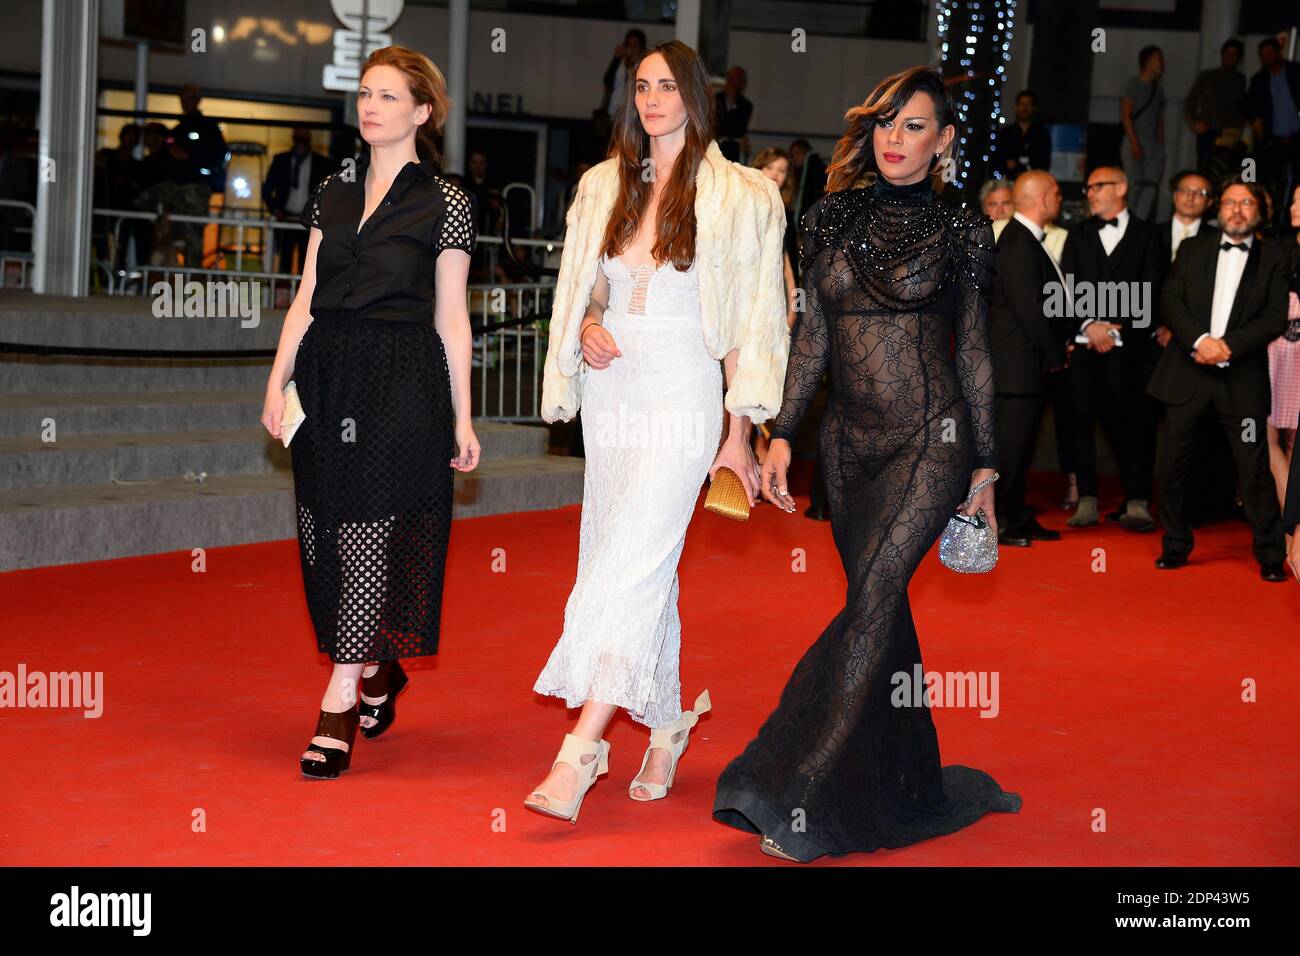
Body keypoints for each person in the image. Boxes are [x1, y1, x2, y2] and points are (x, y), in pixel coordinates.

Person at [713, 66, 1021, 863]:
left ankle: (793, 792)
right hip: (849, 450)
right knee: (879, 616)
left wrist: (985, 467)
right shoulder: (829, 218)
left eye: (913, 125)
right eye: (885, 123)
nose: (894, 138)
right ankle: (908, 778)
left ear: (946, 140)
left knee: (874, 601)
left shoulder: (961, 229)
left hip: (933, 439)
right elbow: (813, 338)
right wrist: (782, 431)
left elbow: (977, 352)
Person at [525, 40, 788, 821]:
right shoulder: (604, 184)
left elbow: (753, 322)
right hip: (613, 398)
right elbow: (587, 290)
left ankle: (581, 750)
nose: (651, 98)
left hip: (683, 395)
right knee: (638, 559)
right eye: (641, 86)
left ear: (696, 96)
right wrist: (590, 327)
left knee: (630, 561)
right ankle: (668, 722)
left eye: (668, 85)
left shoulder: (741, 195)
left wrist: (740, 433)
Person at [259, 45, 482, 778]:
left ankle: (340, 698)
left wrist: (462, 417)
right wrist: (274, 381)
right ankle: (381, 671)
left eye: (388, 96)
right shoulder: (332, 193)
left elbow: (453, 318)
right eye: (364, 93)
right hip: (327, 375)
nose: (371, 106)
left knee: (363, 538)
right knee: (327, 532)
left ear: (422, 111)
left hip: (401, 380)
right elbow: (303, 299)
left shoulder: (445, 201)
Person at [1146, 178, 1289, 581]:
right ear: (1218, 209)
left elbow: (1275, 317)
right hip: (1187, 376)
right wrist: (1201, 341)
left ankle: (1270, 553)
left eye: (1246, 203)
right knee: (1174, 464)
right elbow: (1170, 300)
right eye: (1230, 202)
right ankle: (1174, 544)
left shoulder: (1274, 256)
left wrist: (1226, 347)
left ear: (1258, 212)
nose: (1237, 209)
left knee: (1253, 466)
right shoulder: (1193, 249)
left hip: (1241, 383)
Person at [1061, 166, 1163, 532]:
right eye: (1087, 187)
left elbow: (1153, 289)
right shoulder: (1079, 234)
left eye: (1097, 186)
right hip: (1086, 346)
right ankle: (1086, 498)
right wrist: (1090, 327)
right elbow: (1067, 288)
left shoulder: (1148, 234)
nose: (1089, 192)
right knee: (1081, 419)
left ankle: (1137, 499)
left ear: (1121, 187)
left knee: (1129, 421)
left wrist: (1116, 331)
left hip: (1130, 349)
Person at [990, 170, 1070, 546]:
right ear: (1040, 198)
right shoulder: (1019, 242)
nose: (1060, 199)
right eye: (1055, 192)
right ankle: (1001, 519)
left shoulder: (1025, 240)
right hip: (1016, 369)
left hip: (1024, 367)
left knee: (1019, 449)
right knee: (1009, 450)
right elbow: (1030, 310)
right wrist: (1056, 353)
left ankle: (1016, 514)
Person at [1243, 38, 1300, 232]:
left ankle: (1287, 225)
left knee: (1294, 182)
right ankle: (1271, 223)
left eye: (1269, 53)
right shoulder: (1259, 80)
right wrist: (1256, 118)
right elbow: (1249, 106)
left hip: (1296, 137)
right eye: (1262, 55)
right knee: (1264, 177)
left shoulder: (1295, 72)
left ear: (1278, 53)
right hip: (1272, 140)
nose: (1266, 58)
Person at [1267, 186, 1300, 509]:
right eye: (1293, 200)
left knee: (1295, 439)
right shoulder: (1278, 249)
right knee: (1267, 433)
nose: (1294, 207)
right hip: (1274, 348)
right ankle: (1289, 519)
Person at [263, 128, 334, 274]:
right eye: (298, 139)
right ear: (293, 139)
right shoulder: (281, 160)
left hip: (309, 220)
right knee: (284, 261)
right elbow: (267, 189)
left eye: (304, 140)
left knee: (307, 262)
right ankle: (283, 294)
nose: (301, 144)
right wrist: (275, 209)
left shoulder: (322, 163)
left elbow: (331, 192)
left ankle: (303, 295)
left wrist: (320, 213)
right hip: (285, 218)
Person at [1183, 39, 1247, 173]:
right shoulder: (1207, 76)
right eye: (1227, 53)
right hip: (1208, 130)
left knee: (1225, 168)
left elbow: (1242, 106)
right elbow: (1190, 101)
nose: (1230, 57)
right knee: (1205, 168)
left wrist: (1239, 125)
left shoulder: (1240, 79)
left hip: (1229, 133)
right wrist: (1195, 122)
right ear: (1222, 55)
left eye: (1234, 54)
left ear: (1239, 58)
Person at [1120, 47, 1167, 222]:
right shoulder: (1132, 85)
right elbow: (1125, 115)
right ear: (1147, 61)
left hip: (1153, 143)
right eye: (1158, 59)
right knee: (1135, 184)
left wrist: (1160, 145)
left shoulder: (1158, 89)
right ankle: (1127, 221)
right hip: (1135, 140)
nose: (1162, 63)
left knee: (1150, 186)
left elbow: (1159, 117)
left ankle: (1140, 223)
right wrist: (1134, 142)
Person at [990, 89, 1051, 180]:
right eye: (1021, 104)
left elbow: (1044, 163)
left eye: (1028, 105)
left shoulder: (1041, 134)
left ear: (1034, 108)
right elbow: (997, 160)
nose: (1024, 108)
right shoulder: (1006, 133)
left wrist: (1021, 165)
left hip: (1033, 181)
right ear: (1016, 107)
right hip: (1009, 182)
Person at [715, 66, 753, 162]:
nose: (740, 82)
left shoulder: (746, 105)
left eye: (742, 79)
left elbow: (740, 128)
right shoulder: (715, 100)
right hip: (715, 145)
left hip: (735, 149)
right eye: (737, 78)